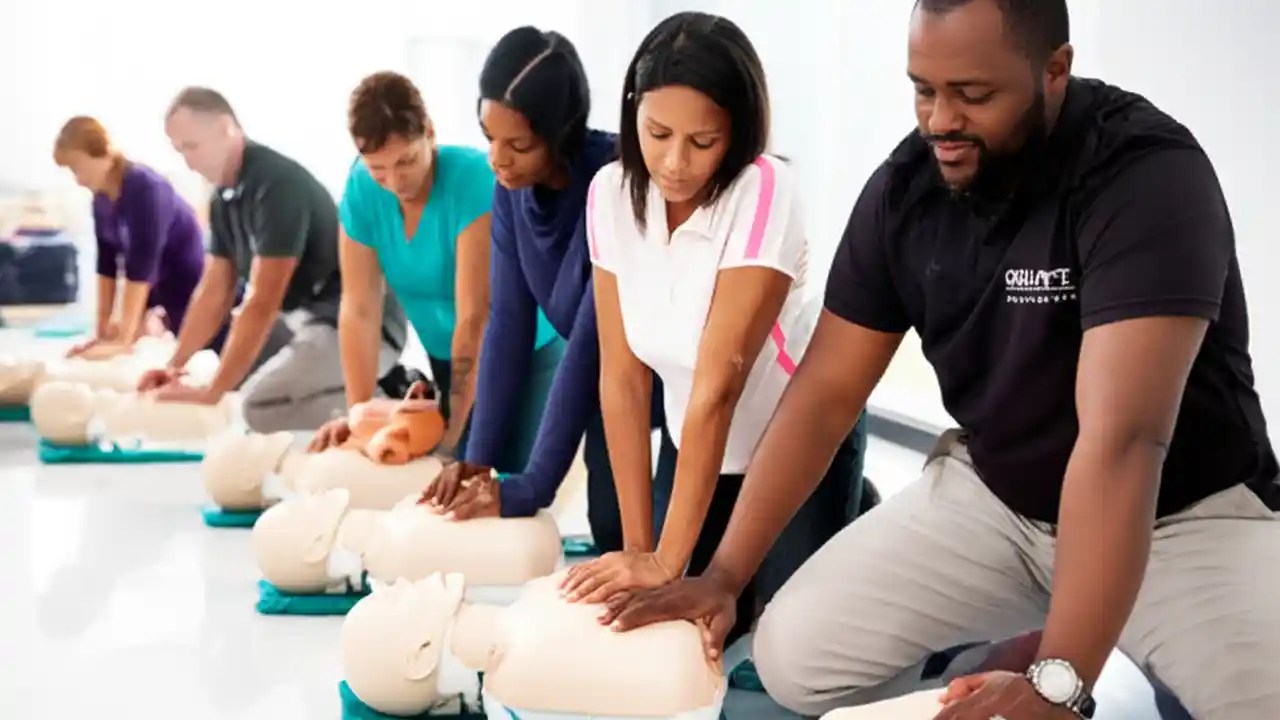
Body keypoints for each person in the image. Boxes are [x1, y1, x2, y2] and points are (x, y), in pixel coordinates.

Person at [603, 1, 1280, 719]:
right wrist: (726, 575)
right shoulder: (909, 188)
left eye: (972, 95)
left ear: (1055, 71)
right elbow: (827, 391)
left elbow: (1122, 442)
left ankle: (1083, 644)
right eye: (924, 90)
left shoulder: (1146, 177)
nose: (939, 120)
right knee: (790, 657)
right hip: (1000, 503)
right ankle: (1019, 641)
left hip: (1179, 516)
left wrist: (1062, 680)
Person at [557, 11, 866, 648]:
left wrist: (668, 563)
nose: (674, 162)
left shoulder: (764, 187)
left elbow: (720, 379)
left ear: (739, 132)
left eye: (703, 142)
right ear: (632, 113)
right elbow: (620, 377)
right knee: (673, 619)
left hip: (793, 446)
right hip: (694, 440)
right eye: (657, 132)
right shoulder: (609, 193)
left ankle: (857, 506)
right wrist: (641, 550)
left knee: (783, 639)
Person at [419, 26, 675, 553]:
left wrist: (533, 487)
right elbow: (508, 325)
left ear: (559, 135)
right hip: (613, 385)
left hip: (672, 377)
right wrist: (475, 460)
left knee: (678, 549)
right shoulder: (511, 193)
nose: (497, 159)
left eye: (518, 145)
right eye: (489, 139)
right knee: (613, 531)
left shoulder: (612, 183)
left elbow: (588, 341)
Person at [307, 71, 561, 463]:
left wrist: (452, 439)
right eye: (378, 168)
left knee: (488, 474)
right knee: (439, 476)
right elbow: (359, 310)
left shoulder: (475, 181)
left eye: (406, 160)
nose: (394, 180)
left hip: (523, 351)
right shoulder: (361, 188)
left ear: (429, 131)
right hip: (446, 357)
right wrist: (361, 417)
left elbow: (474, 319)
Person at [140, 87, 408, 432]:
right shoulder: (224, 197)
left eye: (192, 146)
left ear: (225, 128)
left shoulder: (276, 184)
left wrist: (212, 392)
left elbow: (262, 301)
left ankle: (403, 408)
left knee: (257, 408)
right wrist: (174, 365)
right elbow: (214, 291)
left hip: (362, 327)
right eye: (179, 151)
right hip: (307, 324)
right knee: (241, 384)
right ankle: (378, 396)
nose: (188, 162)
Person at [52, 116, 205, 357]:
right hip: (159, 293)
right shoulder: (101, 199)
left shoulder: (146, 188)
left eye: (77, 168)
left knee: (202, 360)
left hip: (195, 292)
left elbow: (141, 267)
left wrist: (124, 339)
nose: (78, 180)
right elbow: (106, 266)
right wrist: (101, 333)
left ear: (101, 153)